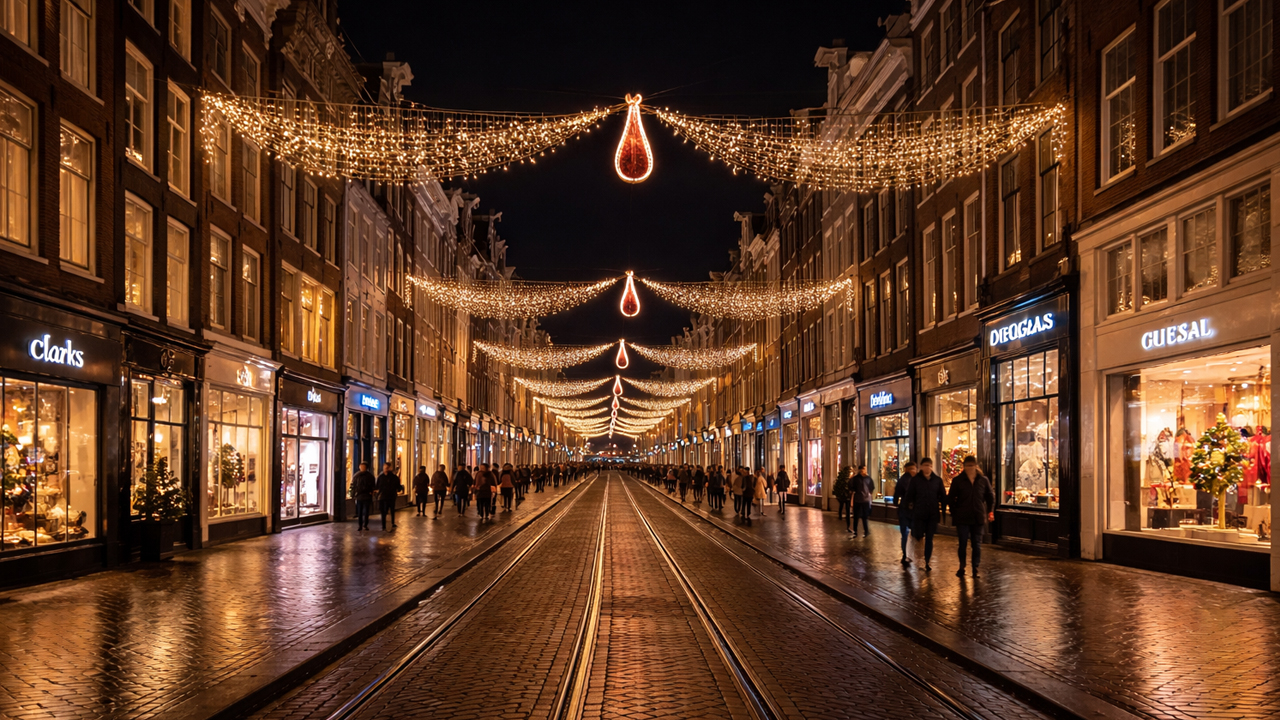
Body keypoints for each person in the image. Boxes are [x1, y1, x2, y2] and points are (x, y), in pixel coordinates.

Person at [947, 455, 995, 578]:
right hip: (962, 517)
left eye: (972, 466)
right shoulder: (958, 480)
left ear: (976, 466)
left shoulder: (983, 480)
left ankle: (975, 567)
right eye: (968, 466)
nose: (970, 468)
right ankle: (962, 566)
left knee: (976, 544)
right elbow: (951, 498)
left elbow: (990, 497)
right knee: (962, 543)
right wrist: (954, 512)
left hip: (978, 516)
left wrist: (990, 511)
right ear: (964, 467)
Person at [903, 458, 946, 571]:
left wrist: (944, 511)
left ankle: (927, 561)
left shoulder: (937, 480)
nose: (928, 468)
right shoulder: (915, 480)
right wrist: (909, 512)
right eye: (926, 465)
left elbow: (942, 496)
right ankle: (916, 557)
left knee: (929, 538)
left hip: (932, 515)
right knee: (918, 537)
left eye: (930, 465)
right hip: (919, 515)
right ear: (921, 467)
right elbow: (909, 497)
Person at [891, 461, 919, 565]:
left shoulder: (903, 480)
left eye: (914, 468)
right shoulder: (913, 480)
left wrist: (897, 504)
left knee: (906, 534)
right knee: (910, 533)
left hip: (905, 510)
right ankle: (908, 554)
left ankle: (906, 555)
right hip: (909, 510)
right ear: (907, 469)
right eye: (911, 469)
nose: (913, 471)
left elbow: (896, 496)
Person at [375, 462, 403, 531]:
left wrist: (399, 489)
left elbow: (398, 486)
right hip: (383, 497)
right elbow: (377, 486)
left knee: (391, 510)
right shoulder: (381, 477)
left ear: (390, 468)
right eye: (384, 468)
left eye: (387, 468)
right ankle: (383, 524)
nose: (385, 469)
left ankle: (392, 522)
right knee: (383, 511)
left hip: (391, 496)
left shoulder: (394, 477)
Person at [849, 464, 874, 537]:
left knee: (865, 516)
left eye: (865, 469)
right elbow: (851, 487)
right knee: (856, 516)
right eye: (863, 469)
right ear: (860, 470)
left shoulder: (868, 478)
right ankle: (855, 531)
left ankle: (866, 531)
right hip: (858, 500)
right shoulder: (856, 478)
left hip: (865, 500)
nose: (864, 471)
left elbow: (871, 488)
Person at [351, 462, 376, 531]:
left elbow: (373, 486)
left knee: (366, 511)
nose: (362, 468)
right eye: (361, 467)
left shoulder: (369, 476)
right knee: (360, 511)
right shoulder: (357, 476)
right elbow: (353, 485)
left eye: (363, 467)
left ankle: (365, 524)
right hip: (359, 495)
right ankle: (360, 525)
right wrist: (353, 494)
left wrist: (372, 492)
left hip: (367, 495)